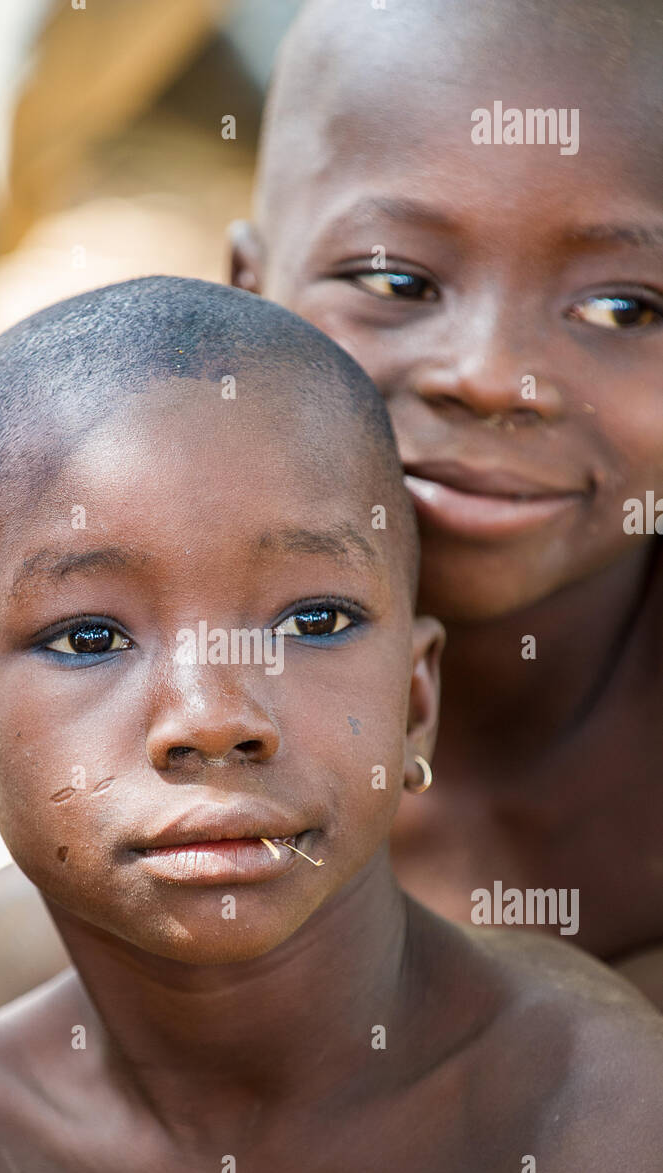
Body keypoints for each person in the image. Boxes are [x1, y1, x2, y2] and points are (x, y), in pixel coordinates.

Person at [0, 278, 662, 1173]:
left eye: (313, 622)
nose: (214, 715)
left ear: (414, 701)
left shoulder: (583, 1107)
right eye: (89, 637)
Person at [230, 0, 663, 1000]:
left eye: (623, 306)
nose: (488, 375)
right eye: (394, 280)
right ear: (249, 292)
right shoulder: (135, 570)